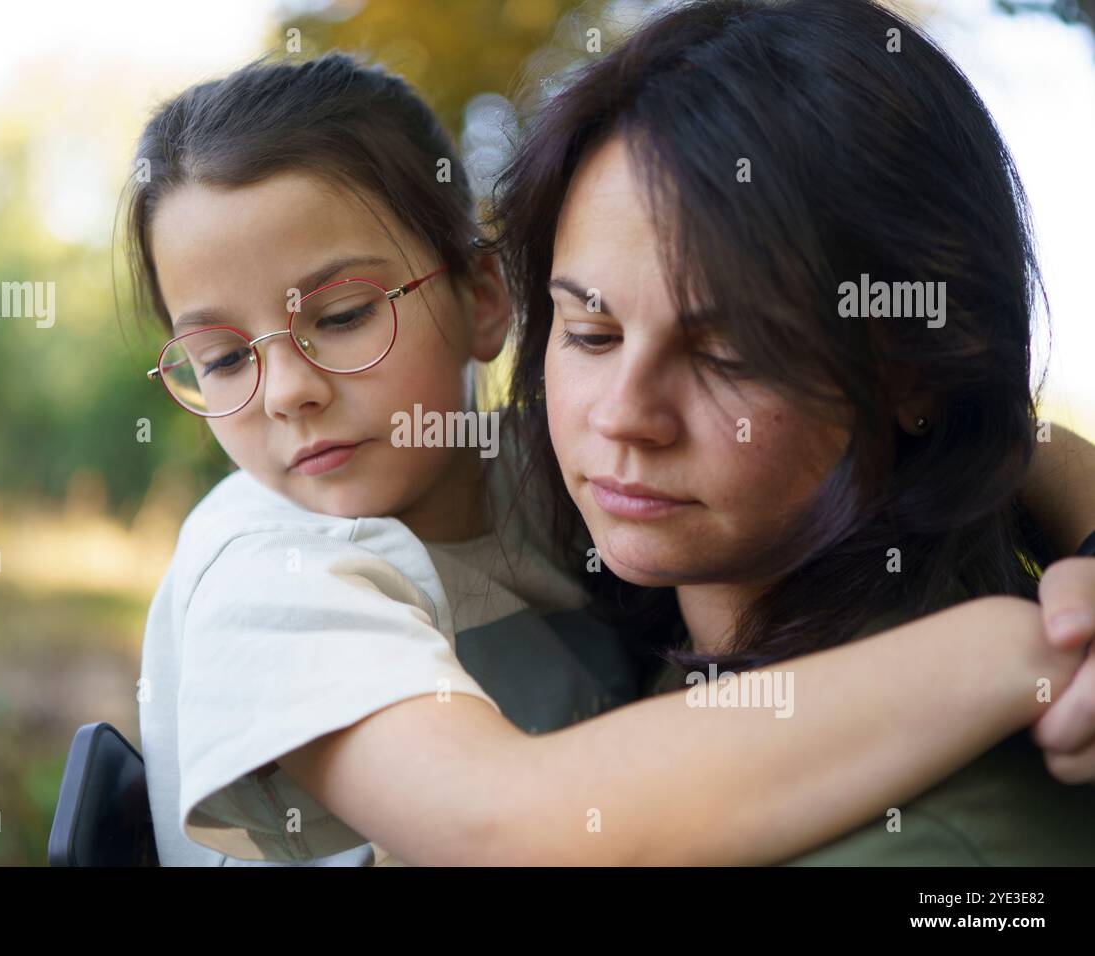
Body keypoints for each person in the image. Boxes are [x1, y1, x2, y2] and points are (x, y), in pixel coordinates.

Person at [127, 44, 1095, 867]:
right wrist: (1014, 652)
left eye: (340, 317)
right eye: (219, 358)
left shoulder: (538, 470)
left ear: (485, 297)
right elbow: (504, 819)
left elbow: (1004, 427)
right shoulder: (266, 571)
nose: (286, 389)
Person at [488, 0, 1095, 863]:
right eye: (591, 333)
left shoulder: (948, 844)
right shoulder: (590, 604)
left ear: (918, 374)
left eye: (727, 355)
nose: (623, 415)